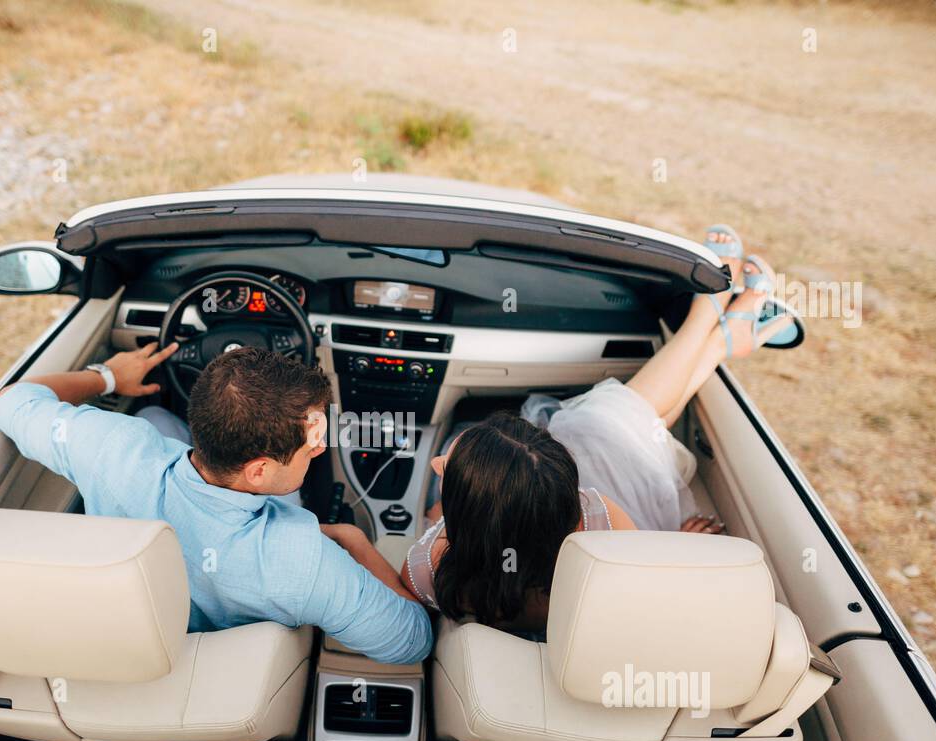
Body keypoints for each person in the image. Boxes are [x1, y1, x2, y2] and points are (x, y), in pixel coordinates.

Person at [329, 226, 796, 632]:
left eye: (448, 463)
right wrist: (682, 549)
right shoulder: (600, 517)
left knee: (614, 426)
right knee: (601, 426)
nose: (435, 460)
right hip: (597, 540)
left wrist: (354, 539)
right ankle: (709, 321)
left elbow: (404, 607)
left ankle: (719, 338)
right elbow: (648, 581)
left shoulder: (434, 568)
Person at [0, 345, 433, 665]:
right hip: (217, 656)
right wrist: (355, 541)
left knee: (152, 419)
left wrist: (108, 377)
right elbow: (412, 641)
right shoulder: (306, 561)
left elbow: (11, 400)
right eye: (311, 441)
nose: (319, 449)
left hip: (138, 635)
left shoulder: (111, 445)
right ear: (258, 471)